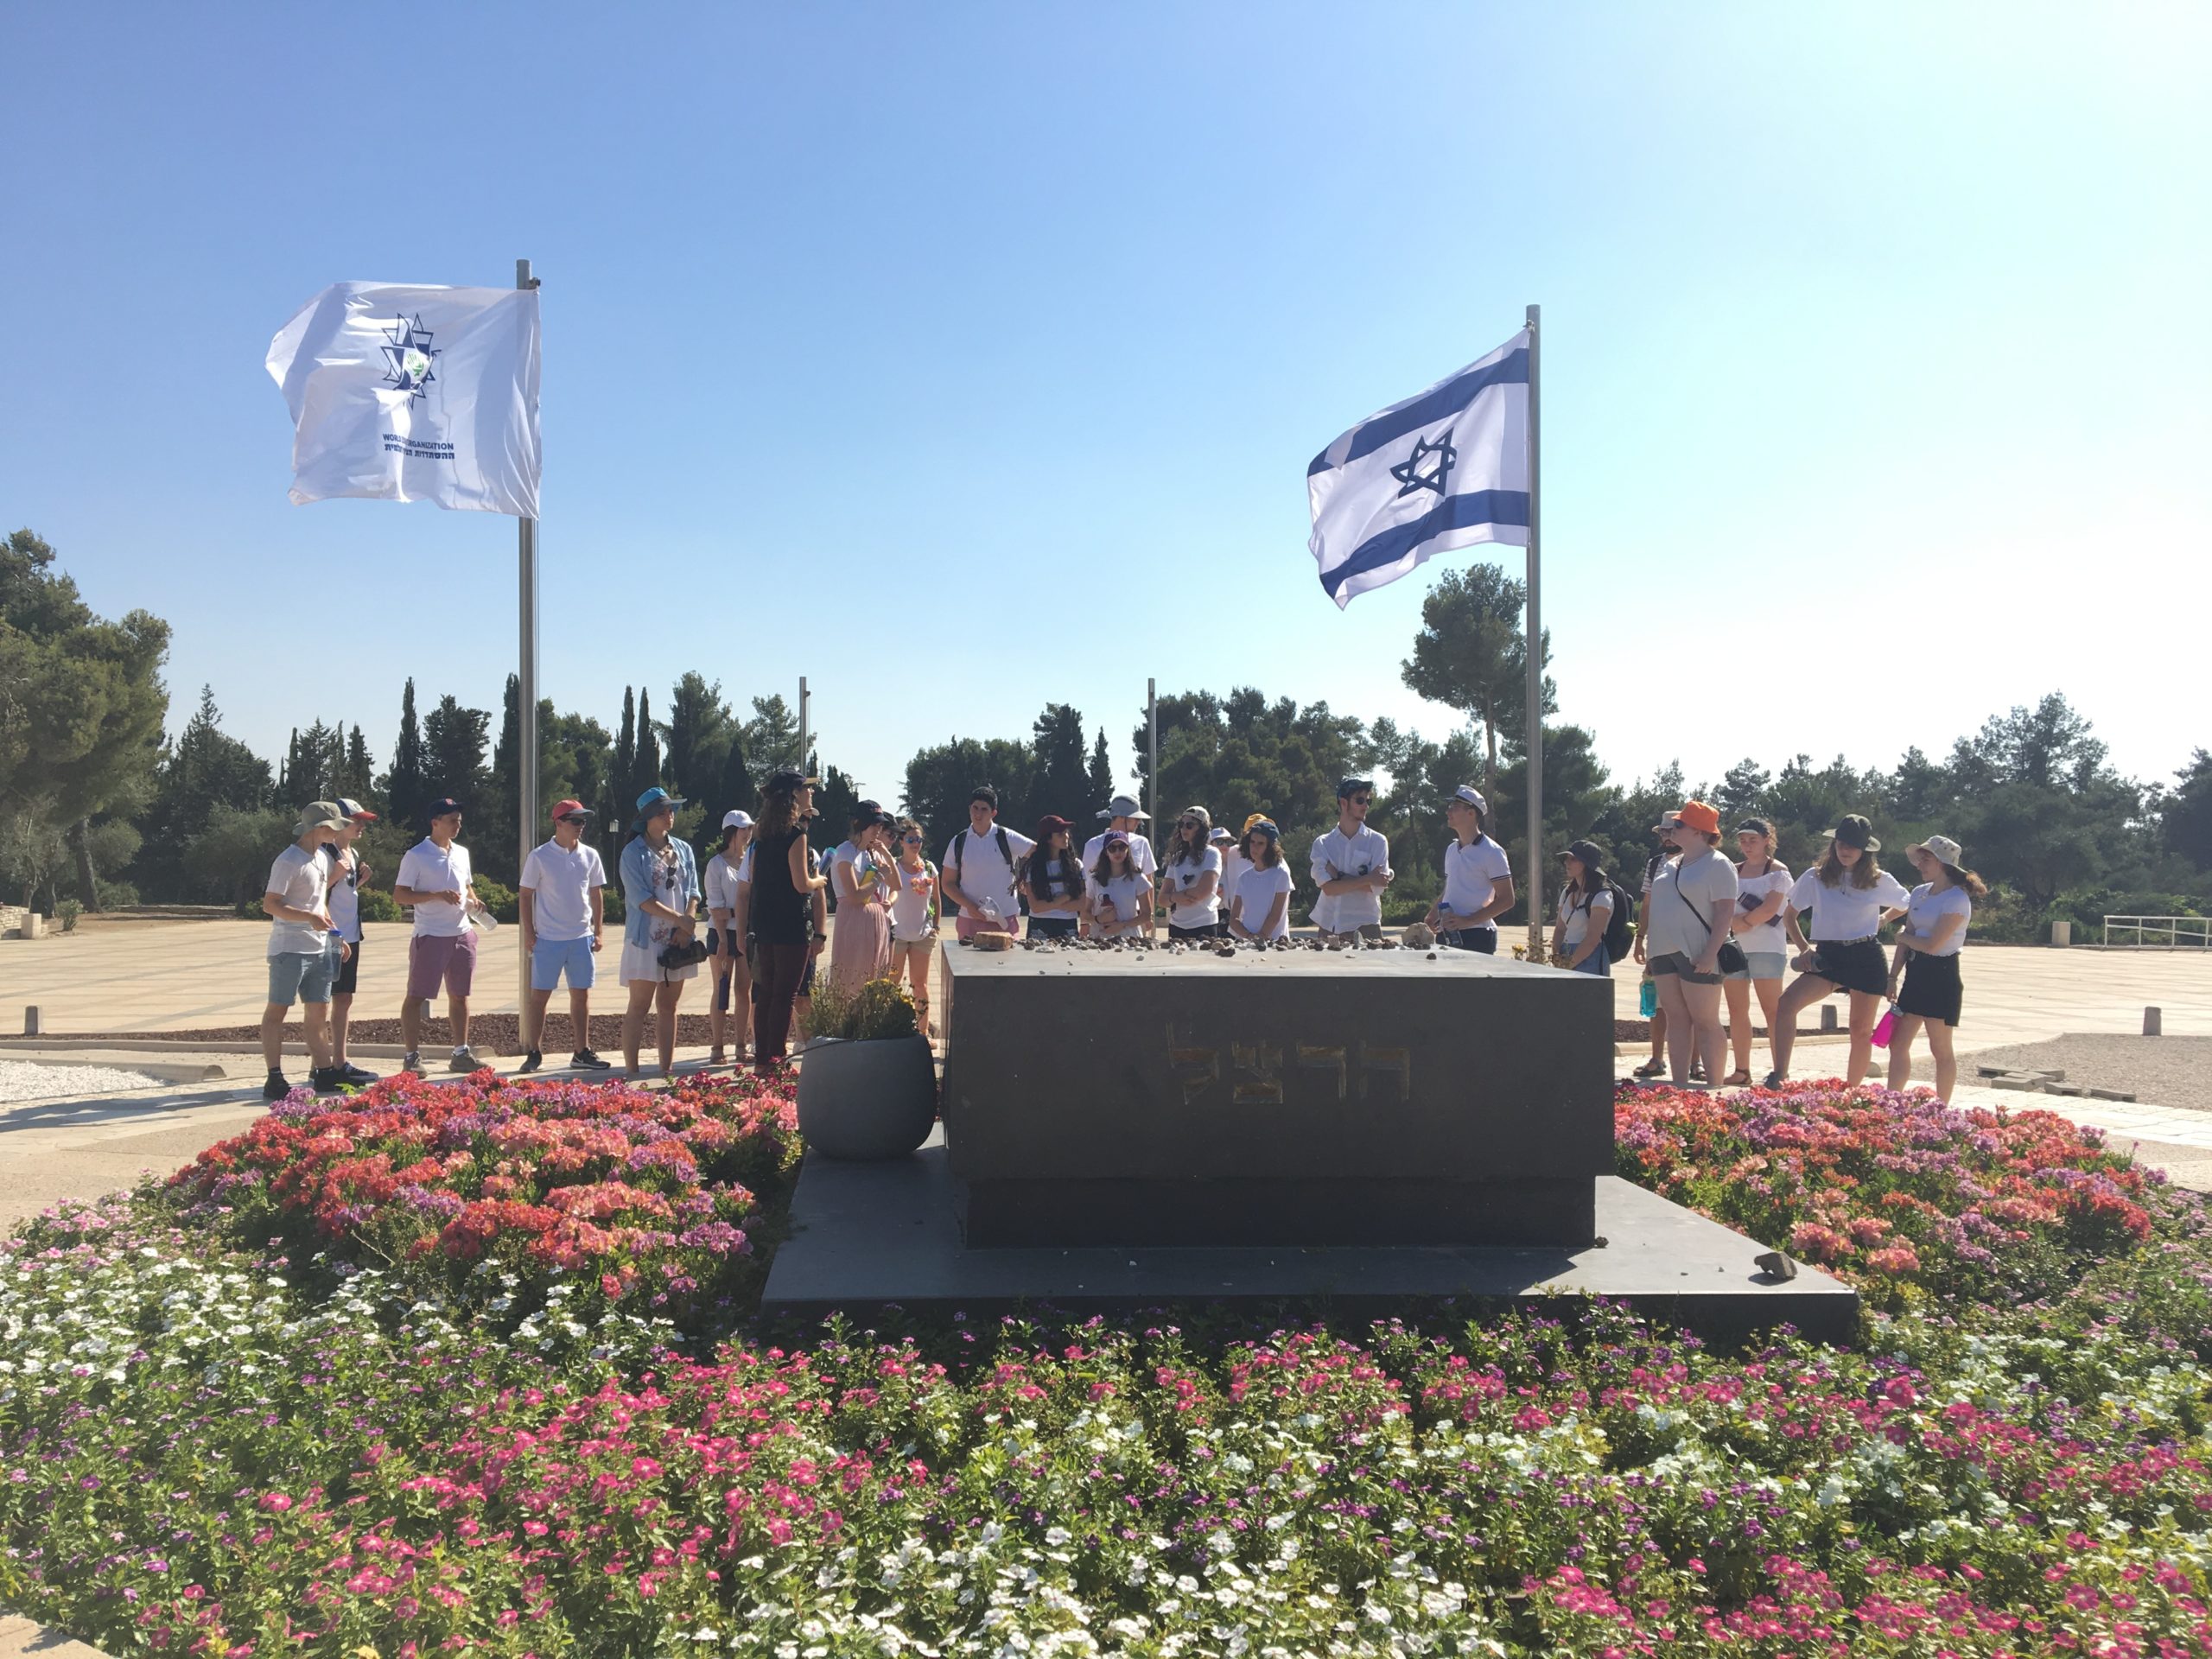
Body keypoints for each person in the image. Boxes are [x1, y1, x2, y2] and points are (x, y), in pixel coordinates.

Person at [1766, 814, 1913, 1088]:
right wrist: (1804, 949)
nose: (1846, 850)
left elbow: (1908, 904)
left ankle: (1852, 1092)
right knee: (1786, 1005)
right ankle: (1779, 1074)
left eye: (1853, 846)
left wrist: (1884, 919)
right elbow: (1790, 915)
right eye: (1841, 843)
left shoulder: (1879, 879)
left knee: (1860, 1030)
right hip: (1829, 955)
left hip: (1865, 955)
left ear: (1865, 850)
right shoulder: (1815, 877)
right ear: (1834, 844)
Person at [1642, 801, 1739, 1087]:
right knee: (1676, 1018)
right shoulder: (1670, 864)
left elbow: (1725, 913)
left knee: (1705, 1020)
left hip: (1697, 950)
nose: (1673, 828)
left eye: (1680, 824)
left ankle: (1714, 1087)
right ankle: (1680, 1085)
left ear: (1699, 831)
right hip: (1663, 951)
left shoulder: (1718, 864)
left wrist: (1710, 954)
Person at [259, 801, 350, 1100]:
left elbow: (318, 902)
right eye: (333, 827)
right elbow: (271, 903)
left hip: (319, 948)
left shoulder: (322, 858)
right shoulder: (288, 861)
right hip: (289, 948)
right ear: (319, 828)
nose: (337, 832)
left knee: (318, 1011)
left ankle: (323, 1072)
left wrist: (335, 935)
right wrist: (308, 918)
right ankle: (274, 1075)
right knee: (278, 1010)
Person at [1885, 834, 1986, 1102]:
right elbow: (1908, 939)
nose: (1919, 864)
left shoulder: (1956, 899)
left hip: (1941, 975)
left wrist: (1903, 936)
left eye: (1925, 859)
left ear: (1942, 863)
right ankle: (1892, 1102)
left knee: (1940, 1048)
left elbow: (1932, 944)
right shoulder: (1919, 893)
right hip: (1915, 975)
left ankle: (1942, 1108)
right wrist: (1892, 976)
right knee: (1897, 1043)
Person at [517, 798, 611, 1074]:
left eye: (583, 821)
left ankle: (581, 1051)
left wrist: (599, 930)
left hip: (581, 937)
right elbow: (525, 894)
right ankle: (534, 1051)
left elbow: (596, 893)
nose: (581, 826)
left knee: (581, 995)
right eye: (575, 821)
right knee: (540, 997)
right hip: (548, 938)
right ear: (558, 822)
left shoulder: (590, 855)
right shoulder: (539, 856)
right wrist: (529, 932)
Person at [393, 797, 485, 1075]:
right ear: (435, 823)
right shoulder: (417, 855)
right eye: (451, 820)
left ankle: (460, 1053)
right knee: (417, 996)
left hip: (462, 934)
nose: (457, 825)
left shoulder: (462, 852)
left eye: (459, 820)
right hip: (430, 936)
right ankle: (411, 1057)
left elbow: (466, 885)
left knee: (460, 996)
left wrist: (475, 900)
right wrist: (435, 895)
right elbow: (399, 895)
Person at [617, 786, 702, 1081]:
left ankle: (667, 1069)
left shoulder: (683, 848)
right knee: (639, 1005)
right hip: (645, 939)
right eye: (664, 810)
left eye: (671, 810)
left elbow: (693, 890)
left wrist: (685, 924)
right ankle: (632, 1070)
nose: (670, 815)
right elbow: (640, 898)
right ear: (649, 816)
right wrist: (679, 919)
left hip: (677, 939)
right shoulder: (633, 852)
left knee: (669, 1005)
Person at [746, 769, 826, 1071]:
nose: (811, 793)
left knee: (767, 991)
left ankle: (762, 1059)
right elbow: (801, 883)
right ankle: (776, 1060)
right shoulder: (796, 834)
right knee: (785, 994)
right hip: (791, 924)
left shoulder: (762, 833)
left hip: (764, 922)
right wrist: (820, 880)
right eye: (806, 789)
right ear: (794, 795)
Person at [1719, 817, 1792, 1087]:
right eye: (1743, 840)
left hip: (1767, 949)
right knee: (1737, 1010)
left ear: (1766, 840)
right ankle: (1742, 1070)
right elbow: (1719, 904)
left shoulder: (1778, 871)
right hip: (1735, 949)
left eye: (1753, 839)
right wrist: (1731, 925)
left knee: (1772, 1010)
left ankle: (1779, 1069)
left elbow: (1771, 908)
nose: (1747, 845)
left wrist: (1742, 923)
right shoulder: (1732, 870)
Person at [321, 797, 379, 1086]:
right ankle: (325, 1064)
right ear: (340, 822)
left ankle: (338, 1061)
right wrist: (336, 875)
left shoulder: (351, 853)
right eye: (357, 821)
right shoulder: (324, 852)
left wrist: (360, 880)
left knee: (344, 998)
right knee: (320, 1002)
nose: (361, 827)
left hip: (350, 936)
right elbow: (314, 893)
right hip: (328, 936)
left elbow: (345, 892)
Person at [940, 785, 1034, 941]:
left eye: (984, 809)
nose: (978, 813)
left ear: (994, 813)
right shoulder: (958, 842)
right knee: (965, 966)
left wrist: (1026, 879)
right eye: (975, 808)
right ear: (969, 808)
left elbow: (1038, 852)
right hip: (969, 920)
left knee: (1006, 965)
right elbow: (947, 884)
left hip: (1004, 920)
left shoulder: (1007, 837)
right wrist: (970, 906)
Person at [1427, 785, 1514, 951]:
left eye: (1455, 807)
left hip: (1478, 935)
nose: (1448, 811)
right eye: (1449, 807)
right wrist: (1433, 914)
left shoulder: (1492, 852)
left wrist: (1468, 921)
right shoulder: (1452, 850)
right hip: (1448, 933)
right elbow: (1450, 888)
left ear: (1471, 813)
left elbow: (1507, 899)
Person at [1311, 777, 1392, 942]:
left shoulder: (1378, 841)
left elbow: (1377, 887)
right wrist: (1368, 878)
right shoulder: (1323, 843)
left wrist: (1338, 877)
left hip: (1366, 926)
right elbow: (1328, 889)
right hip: (1329, 925)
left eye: (1368, 801)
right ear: (1343, 803)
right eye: (1360, 800)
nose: (1366, 806)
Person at [703, 810, 754, 1066]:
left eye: (749, 828)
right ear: (731, 832)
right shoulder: (716, 864)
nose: (748, 832)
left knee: (743, 990)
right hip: (721, 934)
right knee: (721, 988)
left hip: (745, 931)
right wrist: (723, 939)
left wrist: (735, 913)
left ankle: (740, 1044)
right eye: (743, 828)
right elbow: (715, 907)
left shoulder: (751, 860)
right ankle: (716, 1045)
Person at [827, 809, 896, 996]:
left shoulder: (873, 852)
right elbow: (854, 895)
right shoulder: (845, 852)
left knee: (876, 978)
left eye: (880, 825)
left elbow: (897, 884)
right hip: (853, 917)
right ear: (860, 825)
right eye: (874, 824)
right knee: (851, 978)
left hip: (876, 918)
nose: (878, 828)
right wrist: (879, 877)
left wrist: (886, 854)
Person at [1629, 822, 1678, 1080]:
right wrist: (1640, 937)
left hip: (1690, 942)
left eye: (1671, 831)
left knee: (1691, 1003)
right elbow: (1646, 903)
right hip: (1659, 941)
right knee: (1657, 1003)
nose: (1667, 837)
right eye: (1663, 832)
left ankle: (1695, 1063)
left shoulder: (1699, 860)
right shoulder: (1654, 863)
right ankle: (1656, 1058)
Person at [887, 817, 939, 1037]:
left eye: (918, 839)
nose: (915, 843)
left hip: (922, 935)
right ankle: (887, 1027)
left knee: (921, 984)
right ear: (901, 841)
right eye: (910, 839)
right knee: (891, 984)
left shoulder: (929, 868)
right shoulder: (894, 867)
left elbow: (936, 900)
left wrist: (935, 926)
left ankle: (923, 1032)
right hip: (897, 935)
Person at [1083, 794, 1159, 937]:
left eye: (1122, 848)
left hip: (1135, 920)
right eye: (1136, 819)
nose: (1138, 823)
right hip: (1101, 922)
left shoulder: (1142, 842)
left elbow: (1149, 879)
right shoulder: (1092, 845)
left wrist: (1150, 916)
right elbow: (1087, 884)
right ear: (1122, 818)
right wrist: (1085, 924)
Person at [1549, 838, 1616, 976]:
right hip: (1565, 954)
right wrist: (1556, 956)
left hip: (1590, 958)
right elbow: (1560, 929)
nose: (1567, 863)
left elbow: (1592, 939)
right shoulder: (1567, 892)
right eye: (1566, 858)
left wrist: (1568, 964)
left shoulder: (1602, 895)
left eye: (1573, 859)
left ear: (1587, 864)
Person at [1020, 816, 1087, 940]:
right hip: (1039, 924)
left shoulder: (1076, 865)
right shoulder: (1033, 867)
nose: (1066, 836)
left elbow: (1082, 904)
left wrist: (1049, 904)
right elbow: (1035, 907)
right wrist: (1065, 898)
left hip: (1068, 923)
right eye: (1061, 834)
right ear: (1048, 838)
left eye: (1066, 832)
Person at [1160, 807, 1222, 940]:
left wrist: (1175, 897)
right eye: (1181, 825)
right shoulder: (1176, 858)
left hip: (1204, 924)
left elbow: (1203, 891)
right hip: (1176, 926)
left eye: (1190, 825)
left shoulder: (1211, 853)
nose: (1184, 829)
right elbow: (1161, 899)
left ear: (1202, 828)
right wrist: (1177, 897)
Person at [1229, 821, 1294, 942]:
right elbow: (1233, 919)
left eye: (1260, 843)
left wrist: (1260, 937)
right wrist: (1249, 937)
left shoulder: (1281, 875)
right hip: (1246, 943)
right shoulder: (1244, 877)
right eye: (1252, 842)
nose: (1255, 847)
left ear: (1270, 847)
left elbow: (1275, 916)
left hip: (1274, 943)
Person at [1090, 831, 1153, 941]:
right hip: (1100, 938)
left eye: (1122, 847)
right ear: (1105, 852)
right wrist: (1099, 919)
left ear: (1128, 850)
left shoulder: (1138, 878)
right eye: (1112, 848)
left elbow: (1146, 914)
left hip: (1130, 939)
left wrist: (1122, 925)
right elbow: (1084, 914)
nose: (1117, 852)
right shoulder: (1094, 879)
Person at [1209, 825, 1239, 937]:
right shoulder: (1204, 867)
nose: (1225, 846)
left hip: (1232, 917)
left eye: (1229, 842)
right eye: (1219, 841)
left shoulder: (1235, 866)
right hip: (1212, 916)